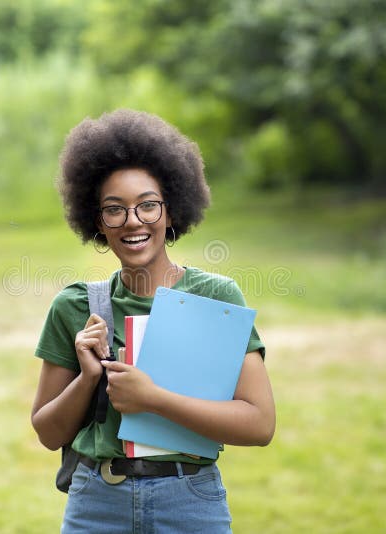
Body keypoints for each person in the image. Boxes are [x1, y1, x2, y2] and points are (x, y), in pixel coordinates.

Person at [31, 109, 275, 533]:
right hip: (95, 504)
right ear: (97, 222)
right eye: (114, 210)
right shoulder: (74, 307)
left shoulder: (214, 298)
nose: (133, 222)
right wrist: (88, 378)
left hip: (190, 502)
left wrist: (153, 398)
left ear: (172, 211)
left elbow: (259, 424)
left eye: (148, 205)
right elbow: (48, 434)